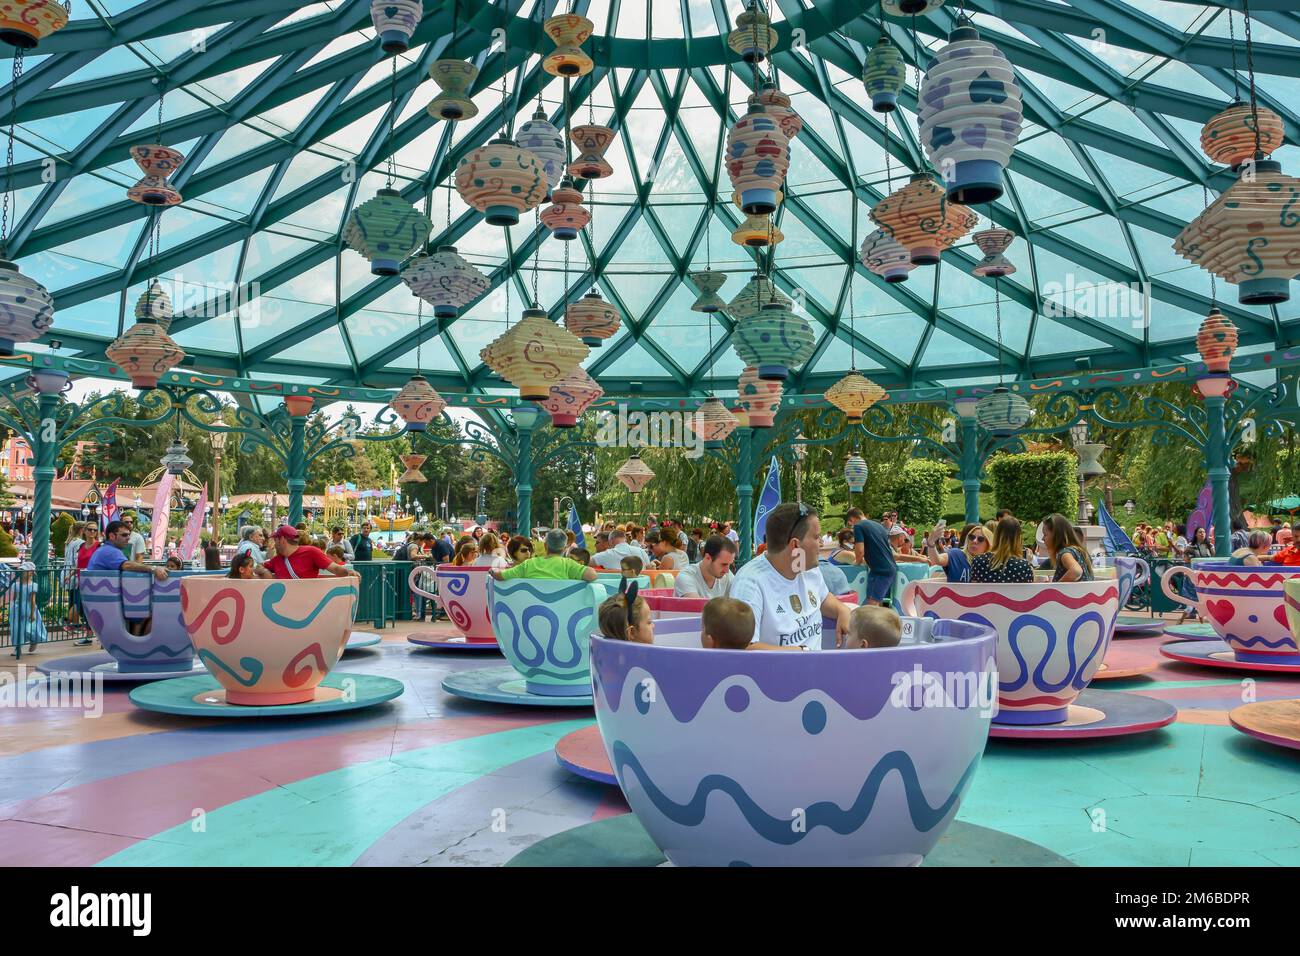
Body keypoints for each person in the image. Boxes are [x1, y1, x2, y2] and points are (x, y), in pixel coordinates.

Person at [730, 503, 853, 650]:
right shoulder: (749, 583)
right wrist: (803, 652)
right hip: (777, 672)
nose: (821, 543)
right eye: (816, 537)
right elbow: (744, 648)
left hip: (816, 669)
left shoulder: (806, 567)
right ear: (795, 545)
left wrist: (842, 609)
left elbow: (824, 598)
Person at [86, 521, 169, 635]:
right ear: (111, 536)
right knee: (151, 613)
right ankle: (137, 644)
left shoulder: (104, 550)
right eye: (124, 535)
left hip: (104, 603)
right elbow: (126, 565)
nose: (128, 538)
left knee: (142, 611)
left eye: (129, 535)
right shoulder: (110, 552)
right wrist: (154, 569)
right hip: (109, 605)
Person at [255, 526, 358, 580]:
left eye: (276, 539)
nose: (274, 543)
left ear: (282, 539)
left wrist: (349, 573)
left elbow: (335, 568)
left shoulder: (311, 552)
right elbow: (258, 566)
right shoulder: (277, 560)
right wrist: (267, 574)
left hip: (308, 609)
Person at [493, 529, 598, 582]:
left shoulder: (529, 564)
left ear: (545, 546)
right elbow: (592, 575)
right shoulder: (569, 565)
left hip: (531, 613)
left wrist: (492, 572)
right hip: (560, 615)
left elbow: (500, 576)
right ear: (564, 548)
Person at [848, 508, 896, 607]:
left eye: (850, 523)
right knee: (879, 602)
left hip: (880, 570)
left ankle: (873, 623)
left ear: (852, 519)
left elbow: (860, 551)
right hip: (889, 567)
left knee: (872, 604)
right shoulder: (879, 526)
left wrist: (857, 562)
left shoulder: (858, 526)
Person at [971, 516, 1035, 583]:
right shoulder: (1023, 566)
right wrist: (1029, 564)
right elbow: (1029, 590)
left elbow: (974, 588)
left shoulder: (978, 561)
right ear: (1018, 538)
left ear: (996, 535)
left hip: (986, 593)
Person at [673, 534, 736, 598]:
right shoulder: (686, 576)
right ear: (708, 557)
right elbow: (697, 605)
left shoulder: (727, 576)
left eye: (729, 564)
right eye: (723, 564)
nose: (727, 570)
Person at [7, 561, 47, 656]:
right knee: (16, 628)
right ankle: (17, 648)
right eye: (21, 570)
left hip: (28, 608)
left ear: (31, 573)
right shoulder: (16, 585)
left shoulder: (32, 585)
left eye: (25, 571)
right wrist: (12, 607)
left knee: (29, 628)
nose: (22, 572)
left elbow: (32, 601)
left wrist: (32, 613)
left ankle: (34, 640)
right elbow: (15, 598)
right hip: (17, 608)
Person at [1041, 514, 1094, 582]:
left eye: (1045, 534)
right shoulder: (1081, 551)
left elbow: (1076, 571)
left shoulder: (1065, 554)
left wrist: (1056, 587)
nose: (1043, 538)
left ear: (1056, 535)